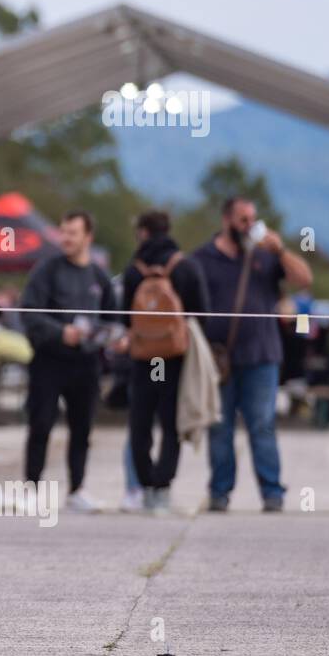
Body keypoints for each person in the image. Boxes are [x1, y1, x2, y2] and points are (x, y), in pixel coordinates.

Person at [193, 197, 312, 512]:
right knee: (219, 427)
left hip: (261, 356)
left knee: (262, 424)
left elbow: (305, 280)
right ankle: (219, 493)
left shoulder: (265, 256)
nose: (249, 226)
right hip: (219, 359)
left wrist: (281, 250)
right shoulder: (203, 258)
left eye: (253, 219)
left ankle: (272, 493)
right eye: (243, 219)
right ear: (227, 219)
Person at [18, 210, 117, 512]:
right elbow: (29, 313)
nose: (66, 238)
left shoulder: (100, 277)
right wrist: (62, 333)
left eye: (73, 233)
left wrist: (110, 337)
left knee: (82, 429)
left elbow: (112, 319)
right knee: (41, 424)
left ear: (88, 237)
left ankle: (77, 490)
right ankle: (31, 489)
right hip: (49, 361)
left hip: (86, 364)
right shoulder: (46, 270)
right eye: (63, 232)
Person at [121, 211, 210, 514]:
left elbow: (123, 316)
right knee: (171, 422)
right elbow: (203, 313)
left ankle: (145, 485)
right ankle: (163, 487)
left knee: (140, 422)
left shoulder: (134, 271)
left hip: (144, 357)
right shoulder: (185, 267)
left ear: (143, 232)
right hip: (172, 358)